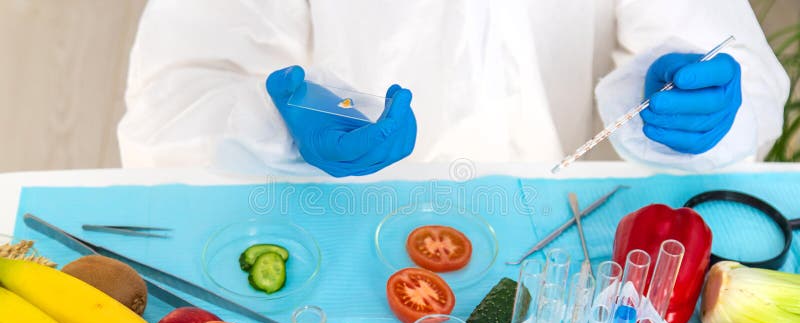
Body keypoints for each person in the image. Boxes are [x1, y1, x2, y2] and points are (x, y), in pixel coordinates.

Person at [117, 0, 789, 177]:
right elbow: (171, 103)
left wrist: (698, 109)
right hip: (341, 210)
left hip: (557, 214)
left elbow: (741, 82)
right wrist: (276, 126)